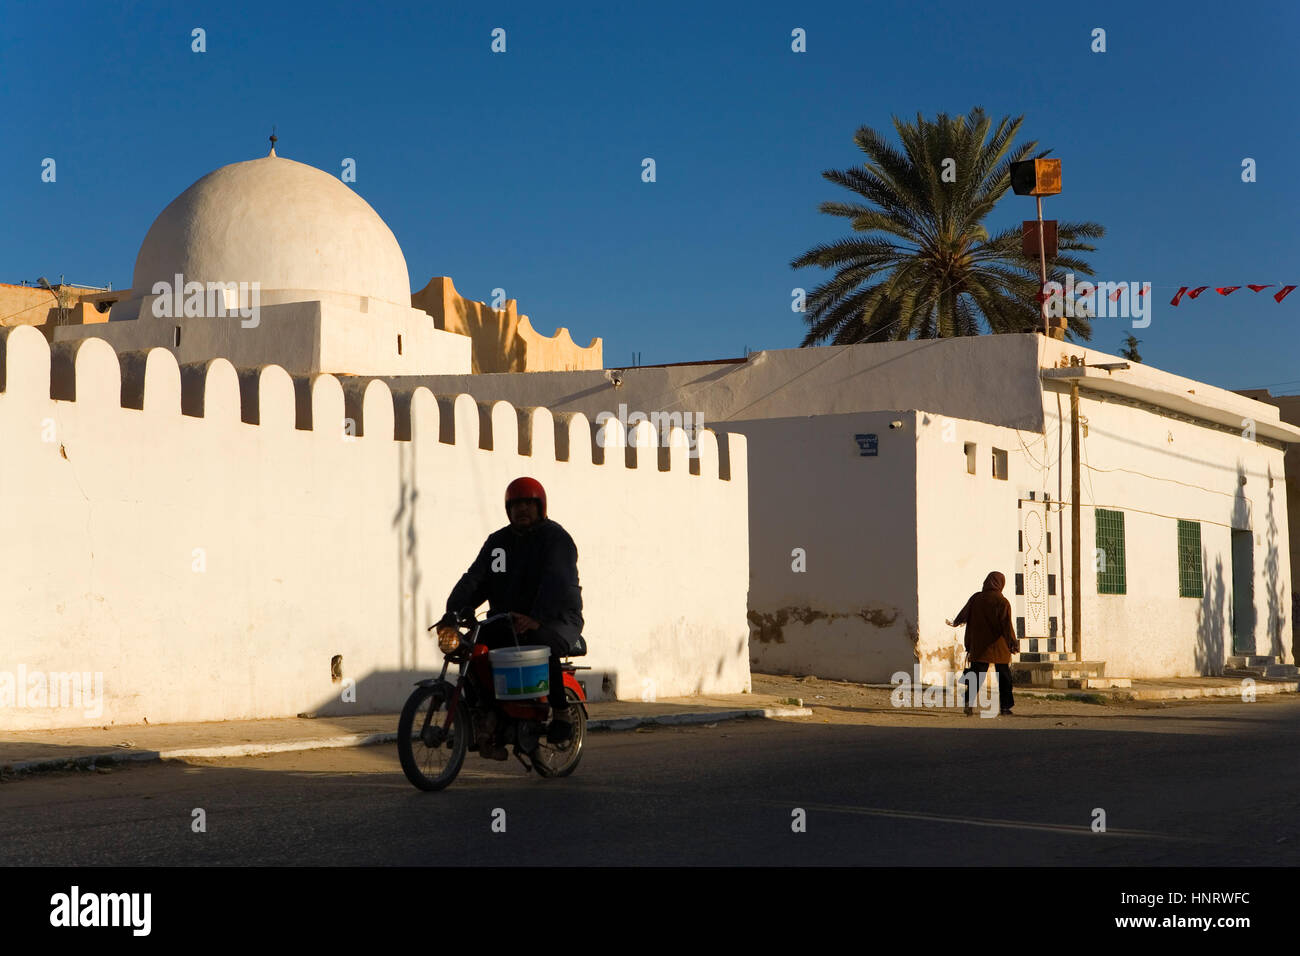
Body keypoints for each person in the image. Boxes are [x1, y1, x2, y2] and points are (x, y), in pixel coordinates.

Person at [436, 477, 585, 759]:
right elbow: (476, 579)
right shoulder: (499, 543)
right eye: (516, 505)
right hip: (508, 620)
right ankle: (487, 716)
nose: (522, 509)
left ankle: (561, 713)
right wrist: (453, 612)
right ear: (508, 510)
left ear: (540, 506)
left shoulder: (556, 540)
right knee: (471, 649)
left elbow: (557, 583)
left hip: (557, 618)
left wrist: (537, 618)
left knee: (541, 644)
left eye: (528, 503)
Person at [949, 571, 1019, 717]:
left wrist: (956, 622)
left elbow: (964, 614)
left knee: (976, 674)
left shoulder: (976, 598)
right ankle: (1005, 707)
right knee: (1004, 676)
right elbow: (1006, 625)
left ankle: (968, 701)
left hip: (979, 644)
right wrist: (1012, 642)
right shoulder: (1002, 602)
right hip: (998, 645)